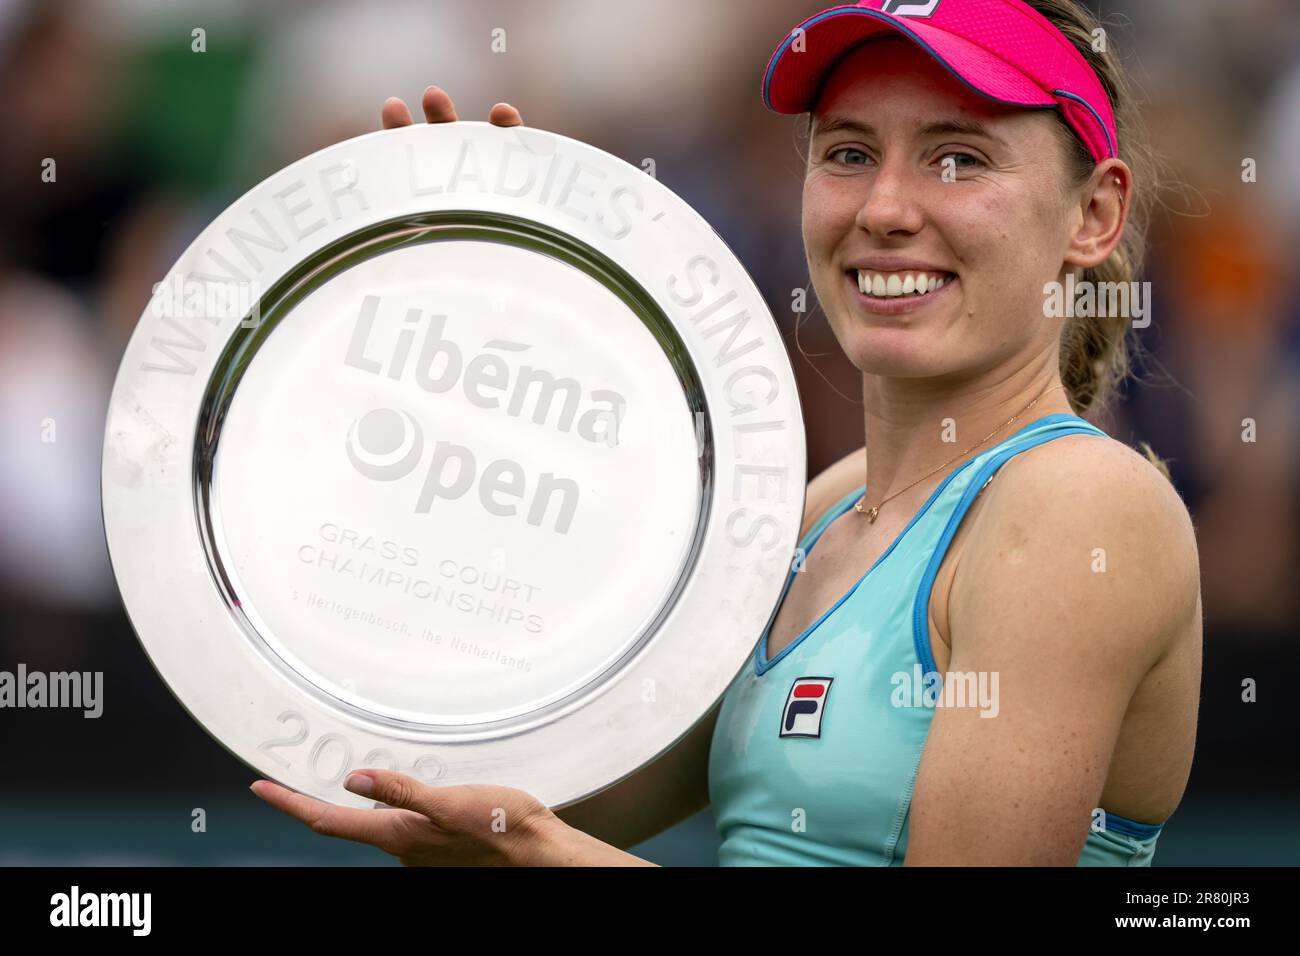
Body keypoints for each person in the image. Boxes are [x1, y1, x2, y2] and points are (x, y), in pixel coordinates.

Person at [252, 0, 1203, 866]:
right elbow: (526, 808)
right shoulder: (825, 505)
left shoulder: (1086, 509)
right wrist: (483, 303)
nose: (884, 209)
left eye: (958, 158)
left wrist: (550, 858)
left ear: (1094, 214)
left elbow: (552, 848)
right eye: (848, 153)